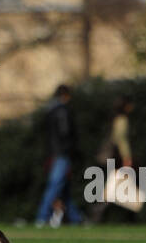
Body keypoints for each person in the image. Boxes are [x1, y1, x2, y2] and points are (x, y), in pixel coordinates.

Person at [34, 84, 84, 227]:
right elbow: (65, 133)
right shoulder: (62, 111)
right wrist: (71, 149)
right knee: (55, 186)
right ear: (66, 95)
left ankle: (76, 219)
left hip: (54, 153)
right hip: (62, 153)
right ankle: (42, 217)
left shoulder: (50, 110)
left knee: (65, 188)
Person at [89, 95, 134, 224]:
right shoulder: (122, 120)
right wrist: (127, 157)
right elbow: (120, 139)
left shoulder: (113, 118)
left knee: (111, 187)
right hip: (113, 157)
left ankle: (97, 214)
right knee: (113, 188)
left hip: (106, 156)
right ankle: (97, 214)